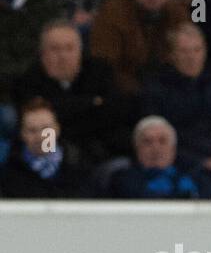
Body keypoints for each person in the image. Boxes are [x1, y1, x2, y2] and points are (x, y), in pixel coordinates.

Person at [141, 23, 211, 181]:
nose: (191, 57)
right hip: (181, 166)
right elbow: (157, 137)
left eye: (197, 50)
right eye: (184, 51)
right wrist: (199, 162)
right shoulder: (156, 90)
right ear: (171, 55)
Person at [14, 20, 131, 165]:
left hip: (100, 151)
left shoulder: (100, 71)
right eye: (55, 49)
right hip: (53, 153)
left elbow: (114, 111)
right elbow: (36, 121)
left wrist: (61, 109)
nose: (62, 56)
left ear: (80, 51)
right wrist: (91, 102)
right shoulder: (29, 80)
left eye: (69, 48)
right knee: (44, 132)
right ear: (42, 53)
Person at [89, 0, 191, 95]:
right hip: (123, 92)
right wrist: (140, 92)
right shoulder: (112, 14)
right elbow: (105, 65)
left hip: (168, 89)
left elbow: (188, 53)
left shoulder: (177, 14)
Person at [108, 114, 211, 198]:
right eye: (147, 142)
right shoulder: (123, 179)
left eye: (162, 141)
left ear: (173, 148)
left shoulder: (195, 175)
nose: (156, 148)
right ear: (137, 148)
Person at [0, 0, 61, 124]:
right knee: (8, 119)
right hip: (3, 91)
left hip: (36, 87)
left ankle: (49, 147)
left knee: (48, 120)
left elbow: (52, 51)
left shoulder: (45, 4)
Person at [0, 98, 89, 198]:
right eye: (32, 130)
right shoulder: (8, 173)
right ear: (22, 134)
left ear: (57, 129)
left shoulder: (80, 164)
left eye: (46, 128)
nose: (40, 136)